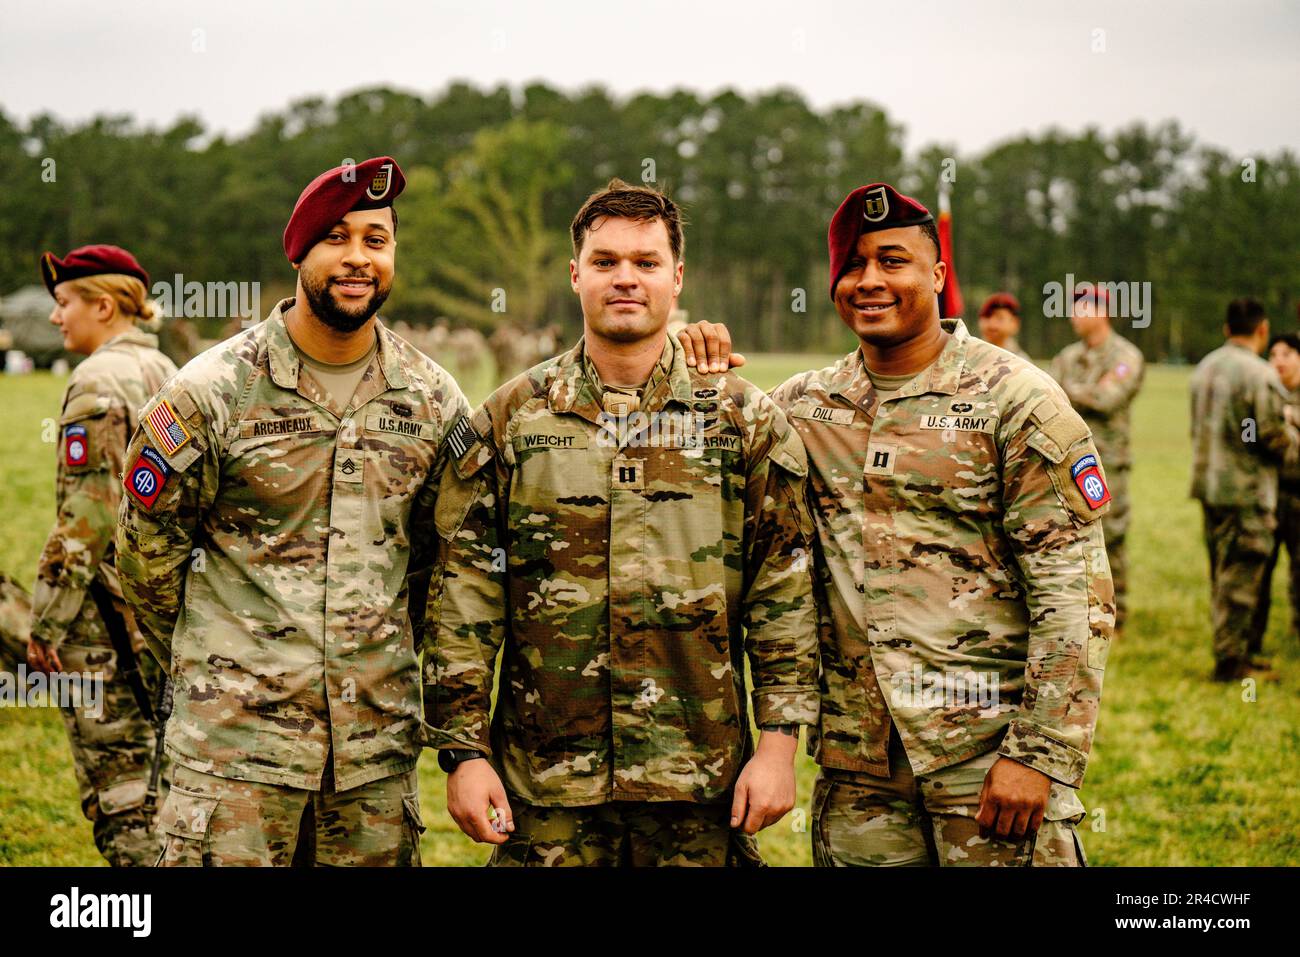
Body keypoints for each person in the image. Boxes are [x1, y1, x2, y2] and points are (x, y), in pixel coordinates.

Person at [678, 182, 1113, 866]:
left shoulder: (1016, 400)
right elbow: (713, 492)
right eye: (853, 266)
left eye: (893, 260)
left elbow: (1076, 595)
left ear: (938, 274)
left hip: (988, 761)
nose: (870, 280)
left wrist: (1040, 753)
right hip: (859, 772)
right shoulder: (804, 406)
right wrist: (693, 367)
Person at [427, 179, 819, 866]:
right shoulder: (512, 418)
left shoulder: (741, 419)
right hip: (547, 790)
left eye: (646, 261)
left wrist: (780, 744)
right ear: (576, 274)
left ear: (678, 276)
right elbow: (465, 597)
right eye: (606, 262)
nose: (626, 279)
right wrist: (462, 753)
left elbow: (782, 592)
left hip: (699, 785)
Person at [114, 157, 470, 866]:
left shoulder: (431, 400)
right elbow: (145, 562)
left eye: (377, 240)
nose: (359, 259)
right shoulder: (211, 392)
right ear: (301, 250)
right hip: (232, 763)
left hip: (371, 768)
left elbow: (440, 565)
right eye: (338, 238)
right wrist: (217, 674)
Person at [27, 244, 177, 866]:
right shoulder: (168, 370)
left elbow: (86, 522)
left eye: (65, 303)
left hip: (103, 617)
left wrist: (45, 623)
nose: (57, 317)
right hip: (164, 609)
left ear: (105, 304)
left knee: (119, 791)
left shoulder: (96, 380)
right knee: (166, 778)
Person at [1189, 298, 1298, 681]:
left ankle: (1231, 651)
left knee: (1222, 574)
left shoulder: (1204, 368)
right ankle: (1232, 663)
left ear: (1226, 329)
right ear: (1263, 329)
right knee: (1241, 577)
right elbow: (1269, 434)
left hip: (1209, 484)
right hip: (1246, 490)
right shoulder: (1259, 374)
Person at [1050, 286, 1145, 633]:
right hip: (1068, 460)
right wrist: (1083, 390)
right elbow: (1049, 397)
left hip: (1108, 462)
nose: (1075, 316)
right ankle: (1078, 609)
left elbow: (1108, 398)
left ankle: (1115, 613)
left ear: (1102, 312)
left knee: (1111, 536)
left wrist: (1069, 391)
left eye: (1082, 308)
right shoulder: (1067, 356)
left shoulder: (1125, 356)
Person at [1258, 332, 1300, 654]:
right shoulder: (1265, 394)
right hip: (1270, 495)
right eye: (1273, 355)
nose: (1279, 361)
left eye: (1287, 354)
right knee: (1260, 570)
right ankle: (1252, 639)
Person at [976, 292, 1031, 361]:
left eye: (999, 318)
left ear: (1015, 323)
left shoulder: (1022, 362)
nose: (992, 323)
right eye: (987, 316)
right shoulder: (967, 356)